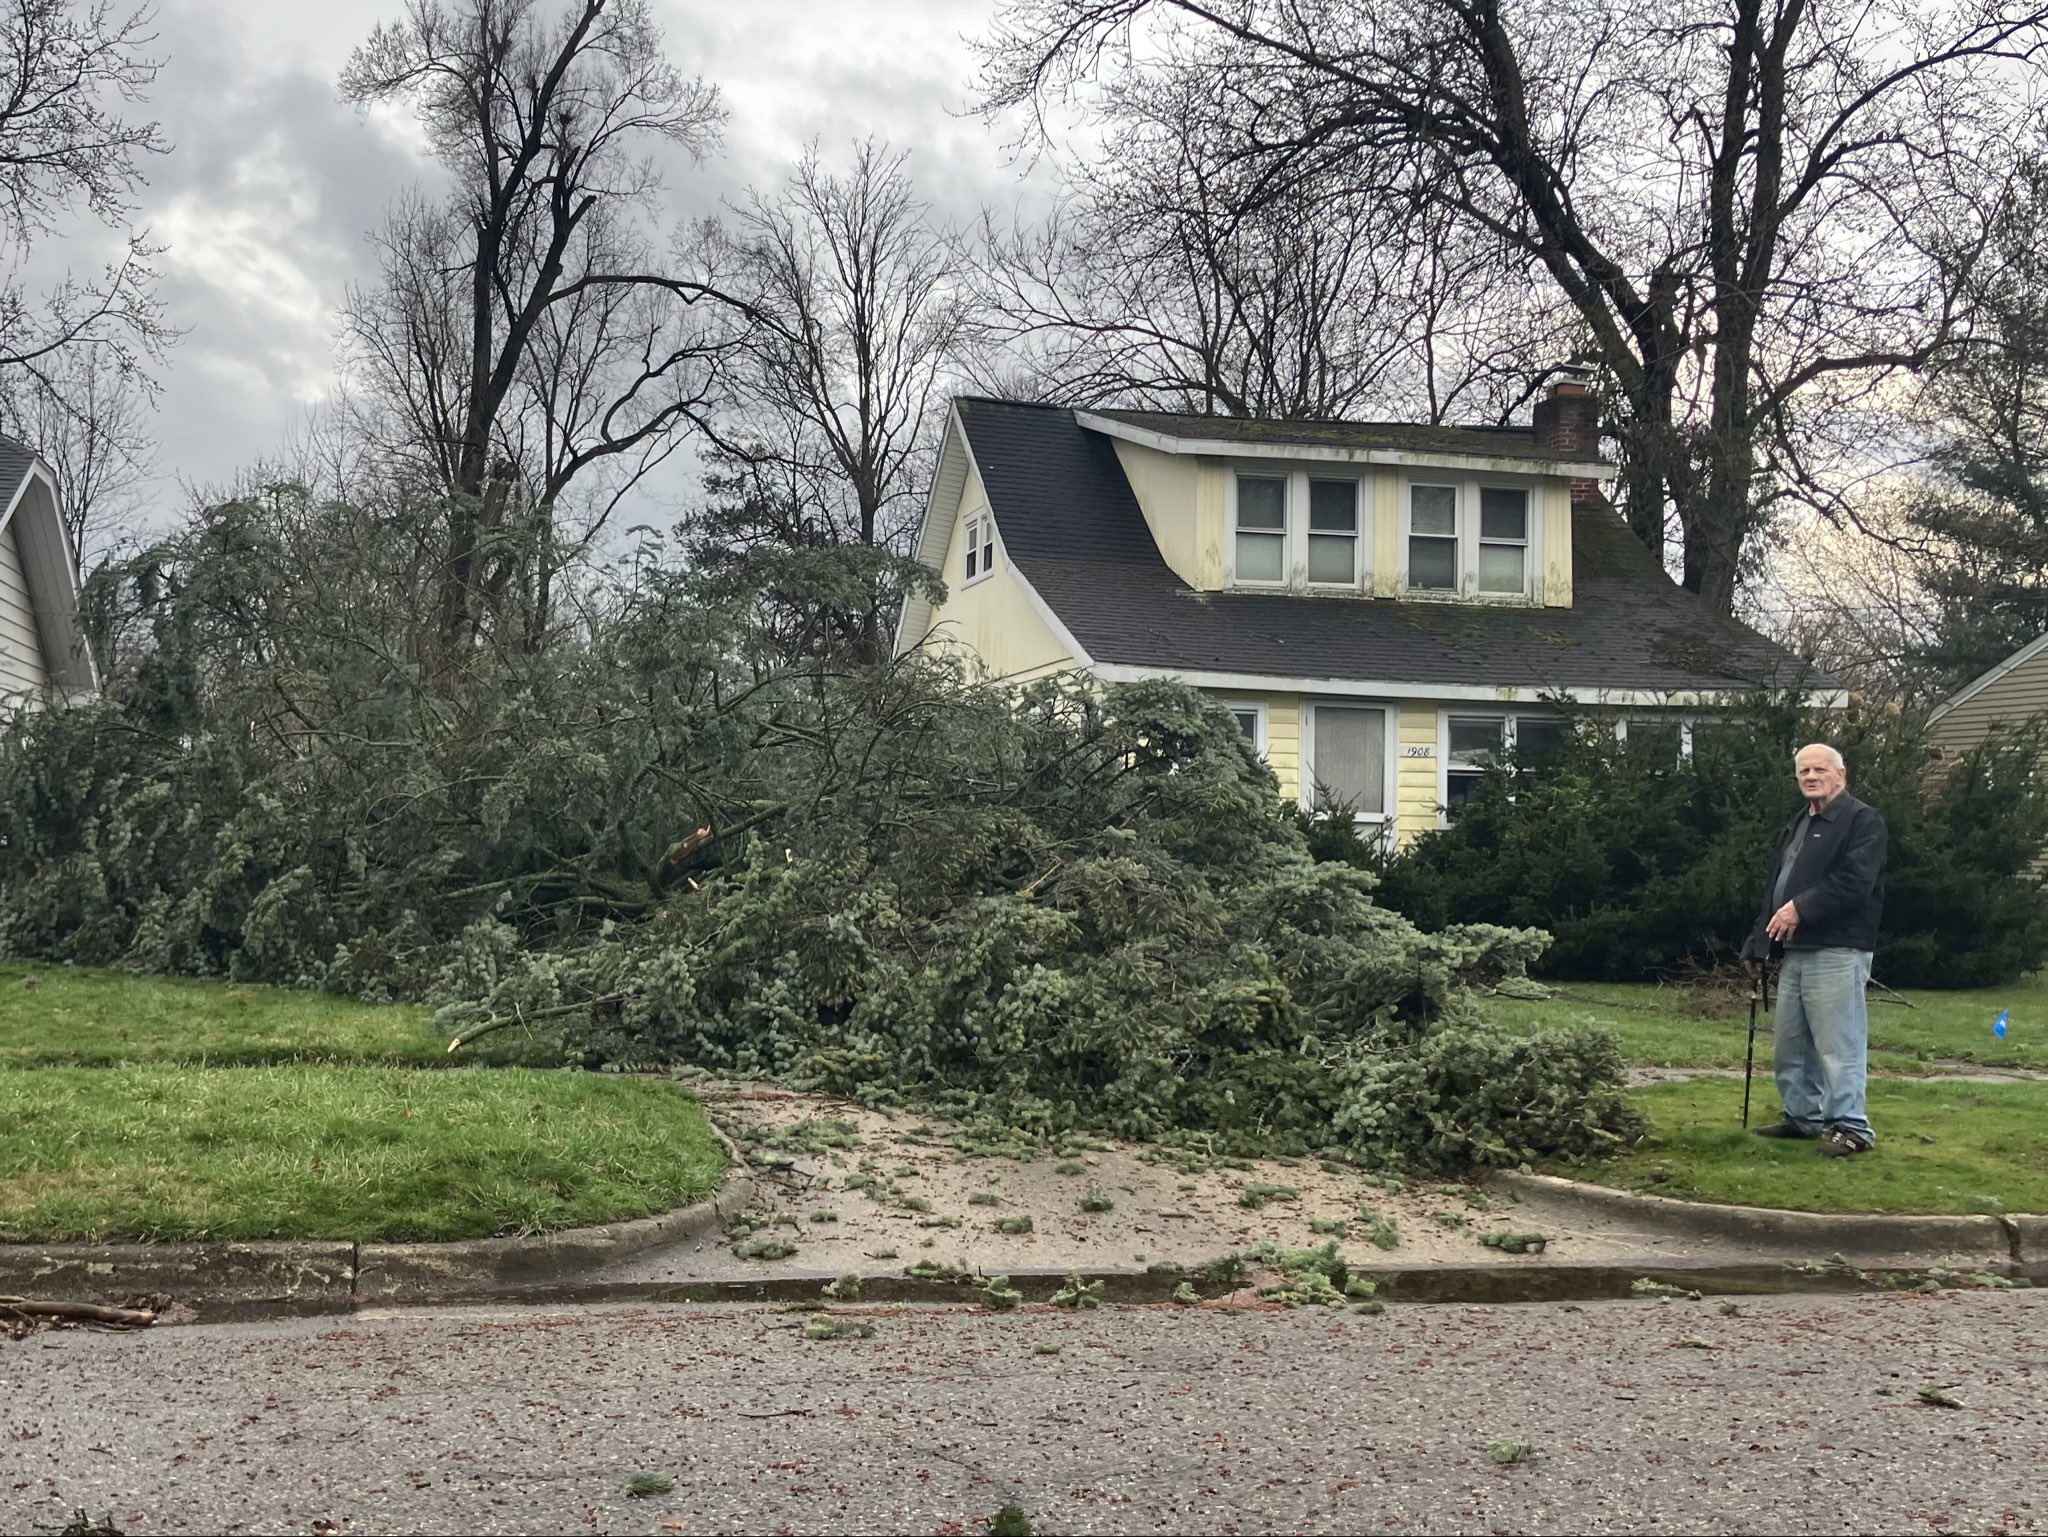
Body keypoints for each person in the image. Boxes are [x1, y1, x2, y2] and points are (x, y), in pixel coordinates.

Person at [1741, 742, 1888, 1157]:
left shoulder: (1862, 821)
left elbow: (1854, 883)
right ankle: (1803, 1117)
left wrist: (1800, 909)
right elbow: (1776, 890)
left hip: (1838, 948)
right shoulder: (1798, 825)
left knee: (1837, 1044)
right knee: (1792, 1042)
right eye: (1803, 771)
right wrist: (1759, 940)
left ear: (1841, 775)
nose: (1810, 777)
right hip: (1796, 948)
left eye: (1819, 770)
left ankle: (1852, 1128)